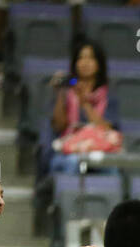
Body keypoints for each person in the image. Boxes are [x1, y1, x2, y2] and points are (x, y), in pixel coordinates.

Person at [49, 39, 121, 175]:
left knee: (111, 167)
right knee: (72, 162)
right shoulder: (66, 92)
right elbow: (59, 127)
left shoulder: (109, 96)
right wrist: (60, 93)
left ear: (99, 64)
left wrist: (85, 104)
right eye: (81, 58)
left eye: (91, 58)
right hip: (70, 150)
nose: (85, 62)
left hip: (100, 149)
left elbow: (106, 129)